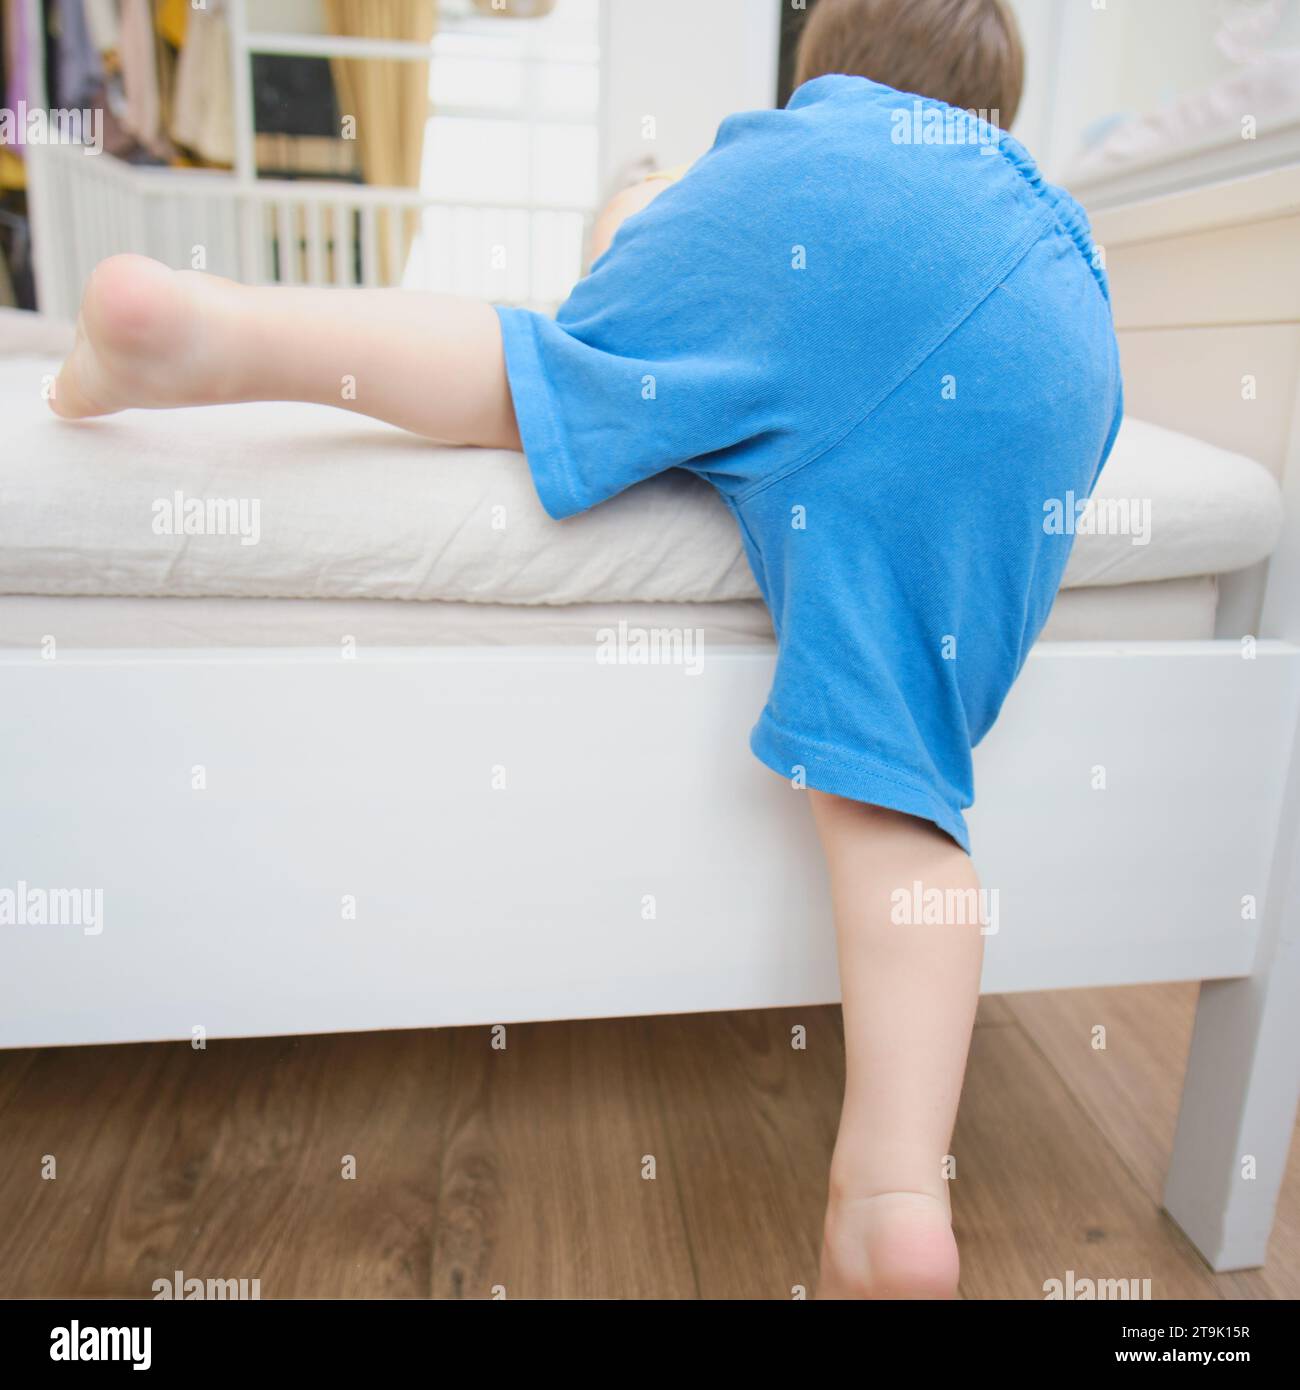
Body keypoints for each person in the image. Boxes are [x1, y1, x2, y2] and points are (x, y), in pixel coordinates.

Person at [49, 0, 1121, 1298]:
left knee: (548, 369)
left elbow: (645, 261)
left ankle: (216, 335)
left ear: (825, 70)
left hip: (833, 228)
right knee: (899, 778)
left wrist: (628, 210)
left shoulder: (808, 147)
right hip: (1059, 341)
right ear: (993, 113)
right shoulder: (1011, 189)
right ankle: (896, 1190)